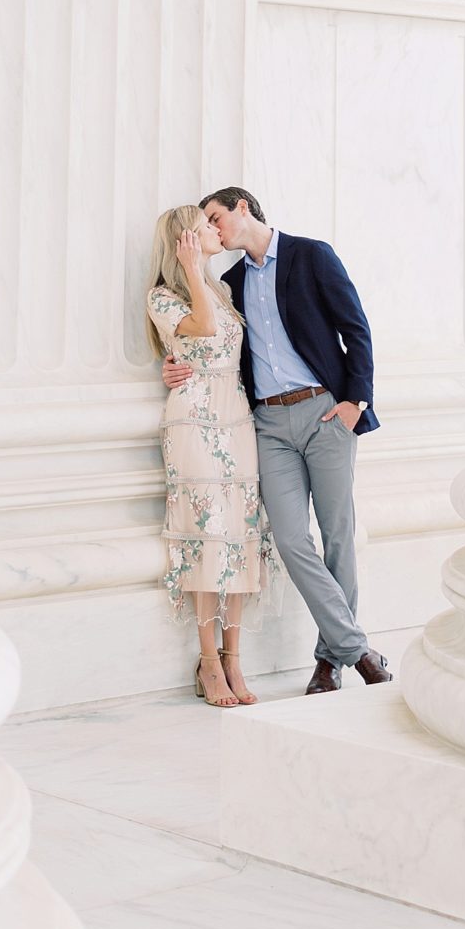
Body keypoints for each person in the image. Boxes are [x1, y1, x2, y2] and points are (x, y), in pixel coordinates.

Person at [169, 187, 392, 698]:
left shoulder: (310, 255)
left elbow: (355, 328)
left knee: (338, 535)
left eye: (216, 216)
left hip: (324, 412)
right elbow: (213, 343)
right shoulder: (229, 283)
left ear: (243, 208)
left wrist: (355, 402)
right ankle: (358, 650)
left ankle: (327, 662)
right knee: (291, 540)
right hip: (268, 426)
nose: (214, 228)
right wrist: (174, 363)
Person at [144, 204, 276, 708]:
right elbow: (199, 328)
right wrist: (195, 270)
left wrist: (204, 274)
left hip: (235, 415)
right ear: (185, 242)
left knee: (241, 534)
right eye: (204, 229)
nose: (214, 232)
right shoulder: (165, 296)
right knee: (207, 534)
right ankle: (208, 661)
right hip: (194, 420)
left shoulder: (222, 289)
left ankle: (234, 657)